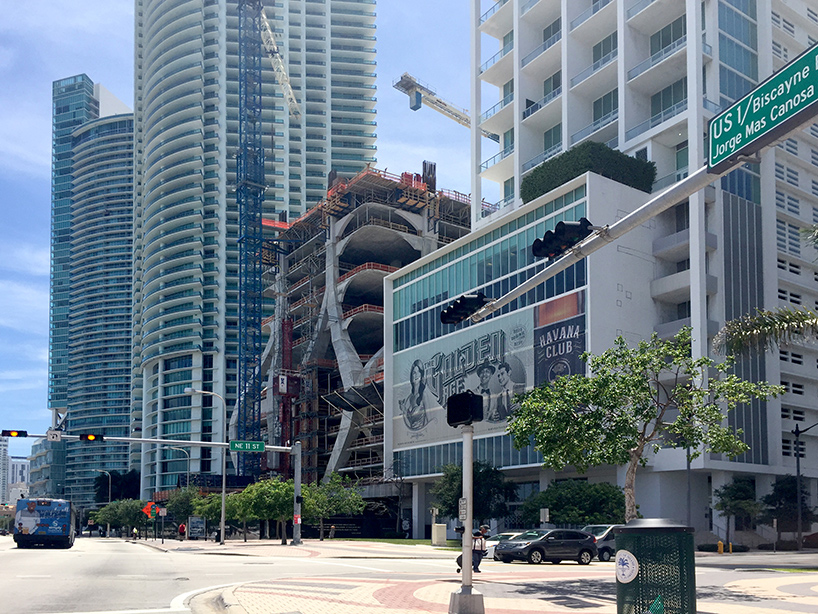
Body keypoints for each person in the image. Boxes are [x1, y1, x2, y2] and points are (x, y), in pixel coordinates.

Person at [399, 360, 437, 431]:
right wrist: (404, 410)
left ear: (421, 375)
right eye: (414, 373)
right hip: (411, 435)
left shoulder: (424, 395)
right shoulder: (410, 397)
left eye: (418, 372)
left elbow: (429, 420)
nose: (416, 375)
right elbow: (410, 420)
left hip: (422, 434)